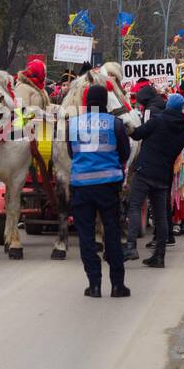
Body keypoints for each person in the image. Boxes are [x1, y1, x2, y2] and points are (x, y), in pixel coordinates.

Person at [67, 84, 130, 297]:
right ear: (105, 101)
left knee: (86, 237)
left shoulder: (73, 124)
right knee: (112, 234)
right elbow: (125, 152)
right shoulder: (116, 124)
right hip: (108, 187)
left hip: (81, 188)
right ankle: (117, 285)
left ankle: (94, 285)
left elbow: (71, 152)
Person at [125, 91, 184, 266]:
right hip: (163, 176)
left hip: (145, 171)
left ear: (168, 105)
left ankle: (131, 246)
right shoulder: (182, 134)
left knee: (135, 206)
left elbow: (137, 134)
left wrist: (129, 126)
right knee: (161, 215)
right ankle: (159, 255)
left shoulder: (157, 120)